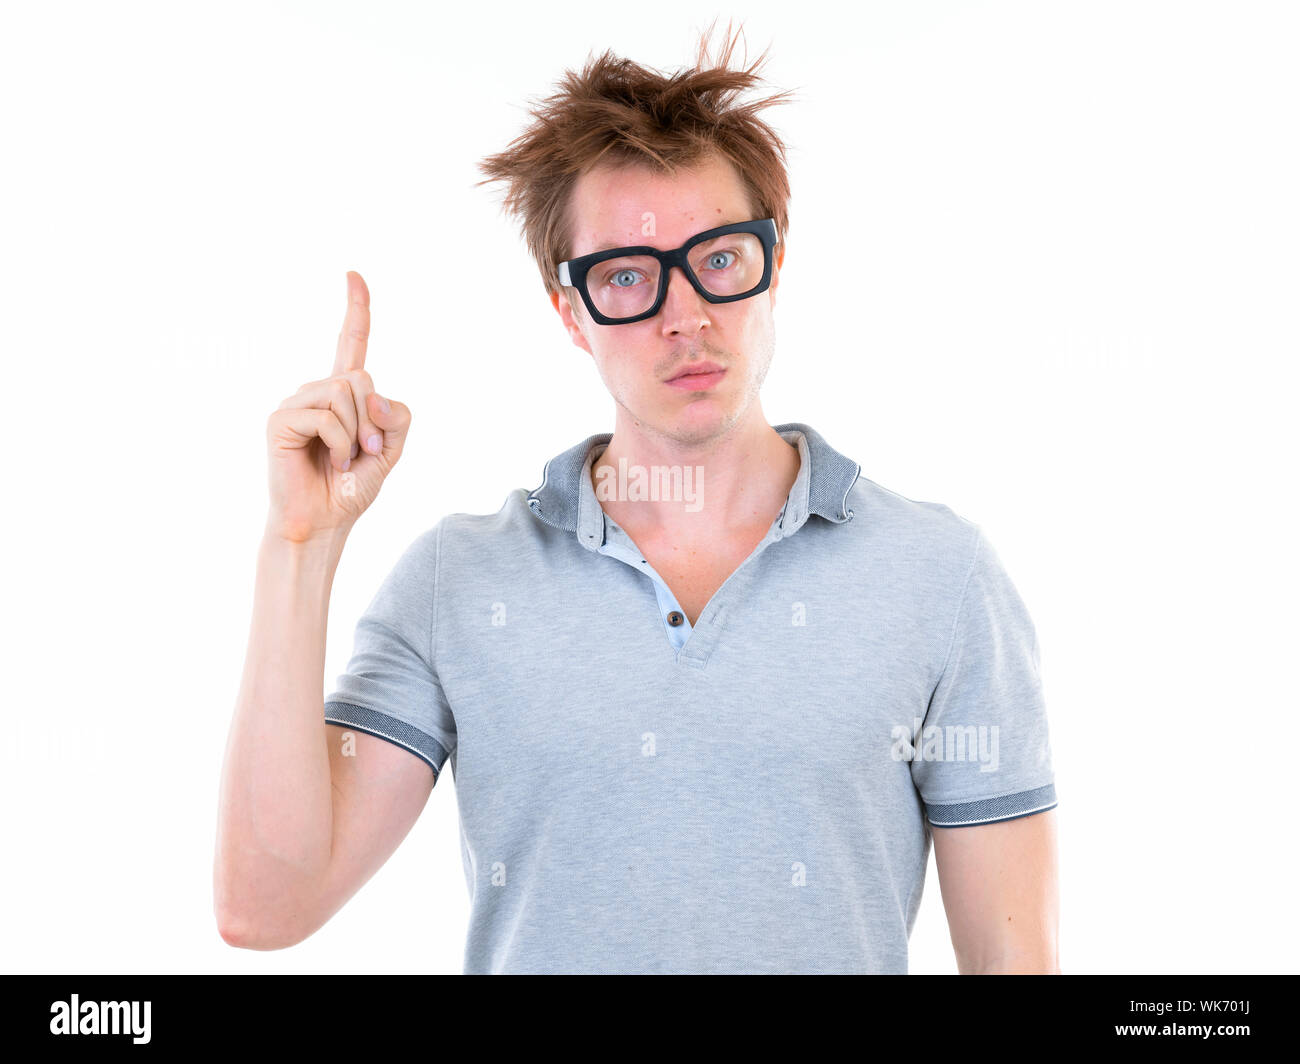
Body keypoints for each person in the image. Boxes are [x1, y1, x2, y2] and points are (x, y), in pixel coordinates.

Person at [215, 23, 1060, 974]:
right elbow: (265, 904)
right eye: (627, 276)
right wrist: (299, 545)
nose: (685, 314)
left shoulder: (939, 579)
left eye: (720, 258)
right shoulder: (461, 580)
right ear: (569, 311)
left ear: (773, 260)